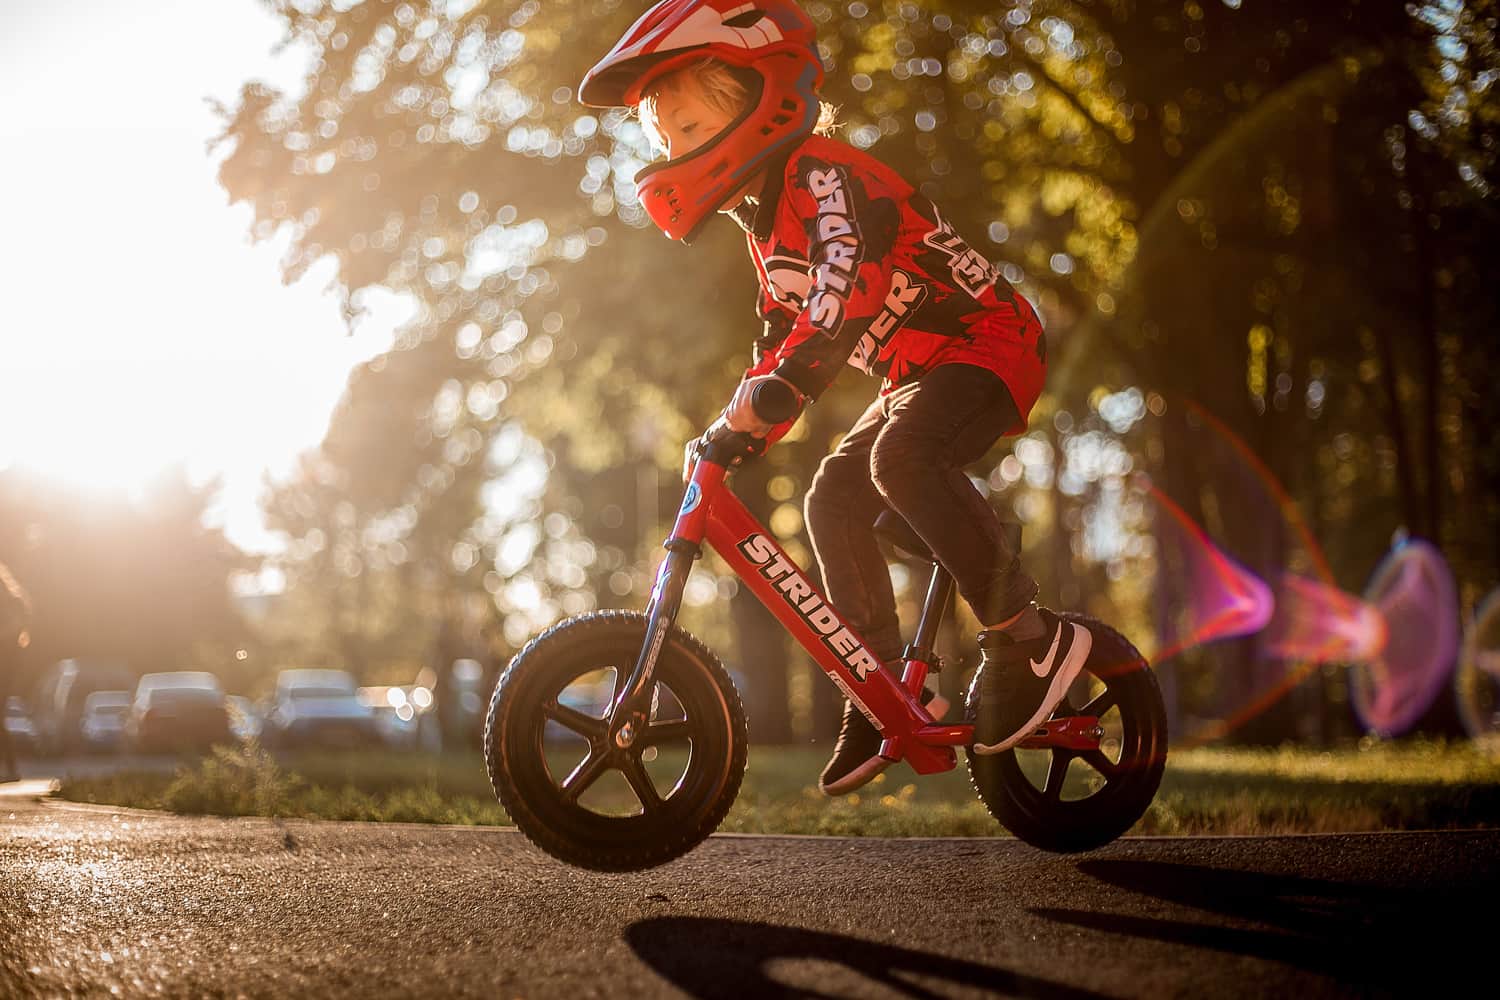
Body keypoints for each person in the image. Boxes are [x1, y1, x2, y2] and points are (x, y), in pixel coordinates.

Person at [580, 0, 1092, 796]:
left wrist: (783, 388)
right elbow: (778, 333)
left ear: (753, 101)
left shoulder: (824, 176)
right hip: (916, 374)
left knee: (901, 458)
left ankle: (1029, 638)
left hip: (987, 342)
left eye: (686, 129)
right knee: (832, 498)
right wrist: (737, 421)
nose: (676, 152)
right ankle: (883, 684)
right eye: (668, 140)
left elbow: (841, 290)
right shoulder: (761, 223)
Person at [0, 560, 32, 783]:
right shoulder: (13, 602)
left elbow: (12, 633)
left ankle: (11, 768)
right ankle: (11, 768)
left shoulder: (12, 604)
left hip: (5, 667)